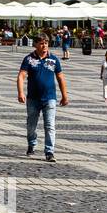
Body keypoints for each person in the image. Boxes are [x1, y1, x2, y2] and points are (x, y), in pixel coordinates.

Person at [16, 33, 68, 162]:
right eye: (41, 43)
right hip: (33, 98)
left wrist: (64, 96)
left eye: (46, 43)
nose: (44, 45)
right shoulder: (29, 59)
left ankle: (49, 151)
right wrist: (20, 92)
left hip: (50, 98)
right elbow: (21, 76)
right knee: (31, 125)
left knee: (50, 125)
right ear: (35, 44)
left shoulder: (54, 59)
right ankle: (32, 143)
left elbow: (60, 77)